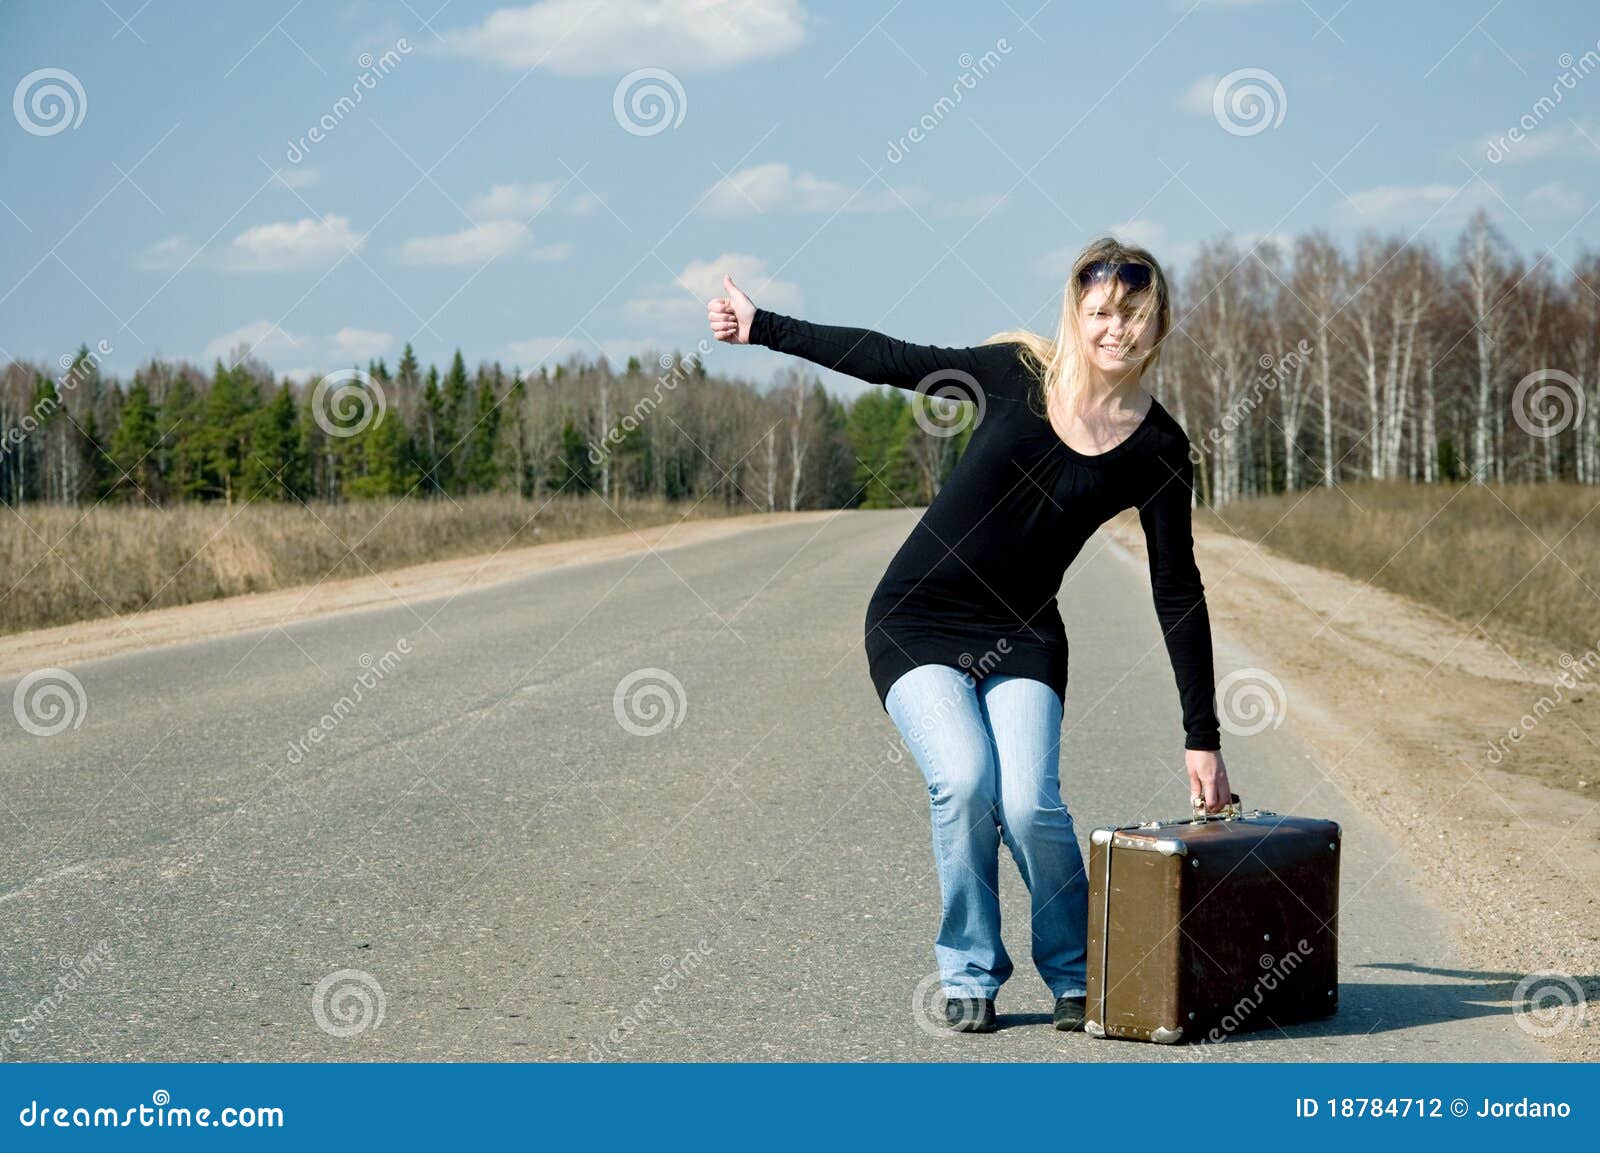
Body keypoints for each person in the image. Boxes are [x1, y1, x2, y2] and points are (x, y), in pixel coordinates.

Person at [706, 236, 1231, 1034]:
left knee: (1027, 801)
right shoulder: (1015, 374)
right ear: (1075, 312)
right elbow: (891, 357)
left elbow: (1177, 590)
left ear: (1157, 323)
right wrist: (763, 325)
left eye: (1132, 313)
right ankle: (970, 970)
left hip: (1022, 634)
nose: (1113, 328)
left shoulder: (1157, 449)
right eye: (1098, 312)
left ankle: (1077, 969)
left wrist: (1204, 735)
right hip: (917, 617)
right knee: (963, 777)